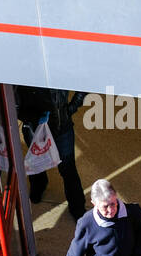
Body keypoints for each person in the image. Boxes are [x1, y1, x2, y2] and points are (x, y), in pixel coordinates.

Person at [15, 86, 88, 222]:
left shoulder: (59, 67)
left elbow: (83, 84)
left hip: (60, 125)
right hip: (34, 126)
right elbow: (14, 102)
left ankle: (77, 207)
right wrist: (31, 117)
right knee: (36, 161)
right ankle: (39, 185)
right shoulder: (24, 70)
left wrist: (70, 109)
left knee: (68, 168)